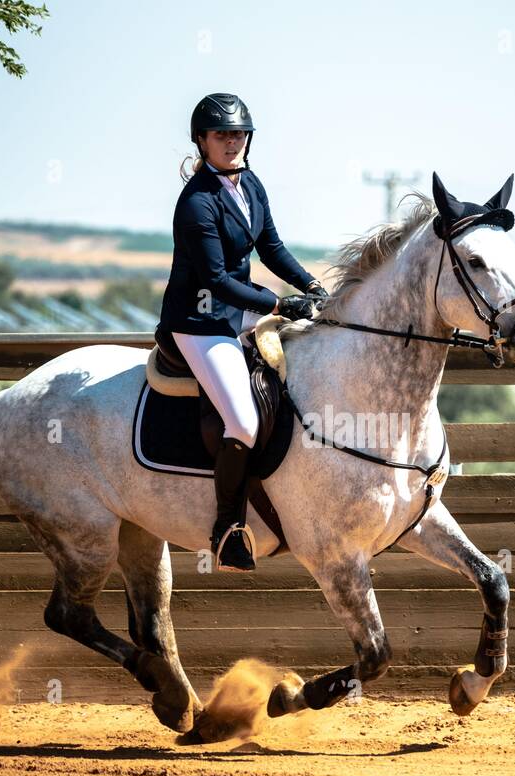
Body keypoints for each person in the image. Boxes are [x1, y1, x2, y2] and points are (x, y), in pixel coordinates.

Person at [156, 92, 329, 571]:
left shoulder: (249, 183)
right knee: (244, 422)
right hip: (200, 322)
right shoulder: (197, 203)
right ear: (202, 141)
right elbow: (217, 280)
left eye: (238, 134)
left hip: (238, 310)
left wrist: (312, 286)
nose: (232, 142)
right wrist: (279, 303)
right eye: (221, 135)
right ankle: (227, 527)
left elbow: (271, 247)